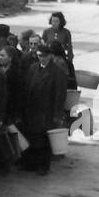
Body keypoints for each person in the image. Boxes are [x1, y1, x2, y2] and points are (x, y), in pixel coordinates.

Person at [20, 44, 67, 175]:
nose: (42, 59)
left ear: (50, 56)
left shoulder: (58, 72)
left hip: (47, 110)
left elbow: (60, 94)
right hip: (32, 108)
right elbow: (27, 86)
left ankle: (43, 166)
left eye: (44, 56)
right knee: (32, 136)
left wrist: (57, 114)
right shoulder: (33, 68)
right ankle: (31, 164)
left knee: (44, 139)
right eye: (39, 56)